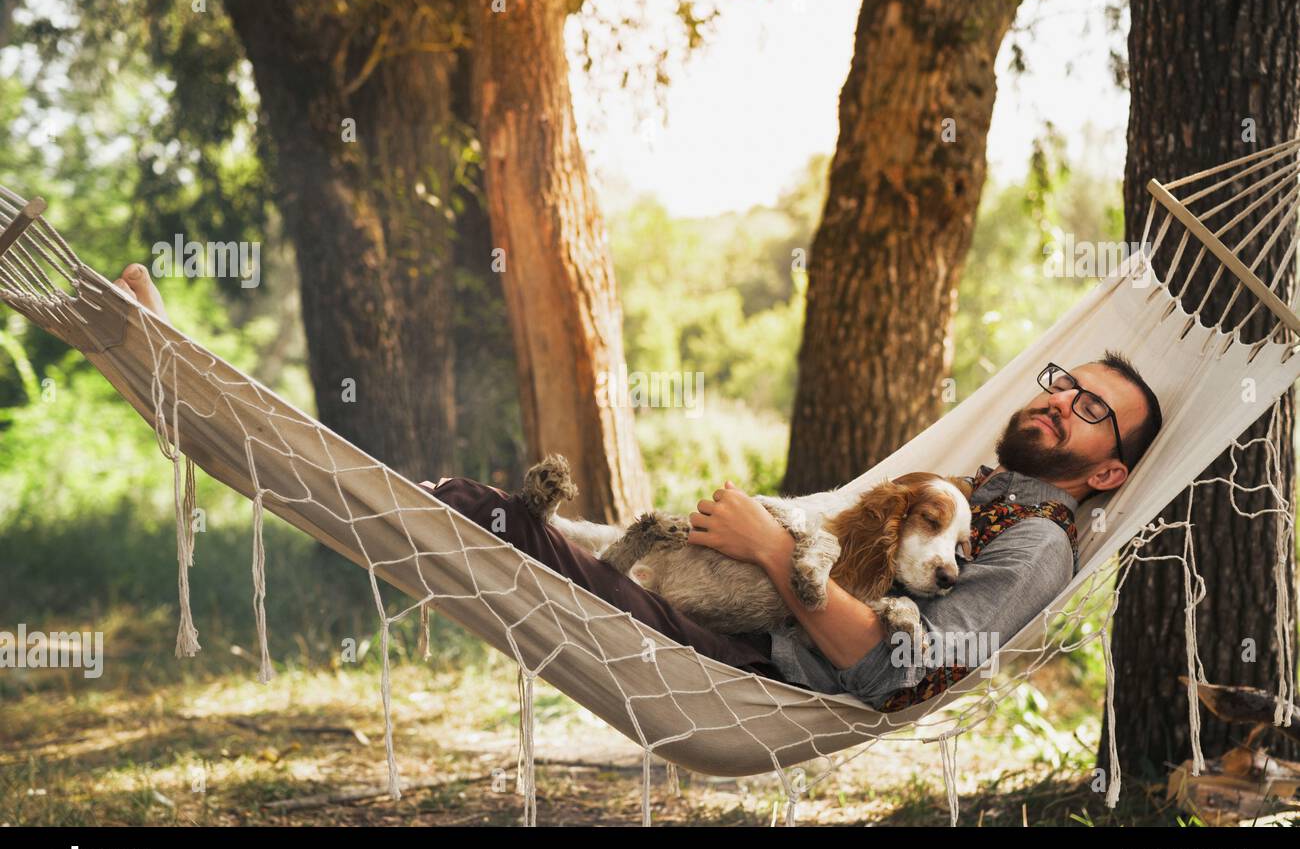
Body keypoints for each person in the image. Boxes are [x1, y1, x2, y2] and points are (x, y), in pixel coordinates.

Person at [111, 265, 1162, 707]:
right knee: (485, 512)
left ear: (1109, 468)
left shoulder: (1034, 543)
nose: (1061, 399)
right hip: (709, 598)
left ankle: (215, 417)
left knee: (484, 519)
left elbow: (892, 669)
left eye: (1089, 410)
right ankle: (215, 408)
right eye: (1065, 380)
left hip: (749, 663)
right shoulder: (965, 490)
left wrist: (763, 549)